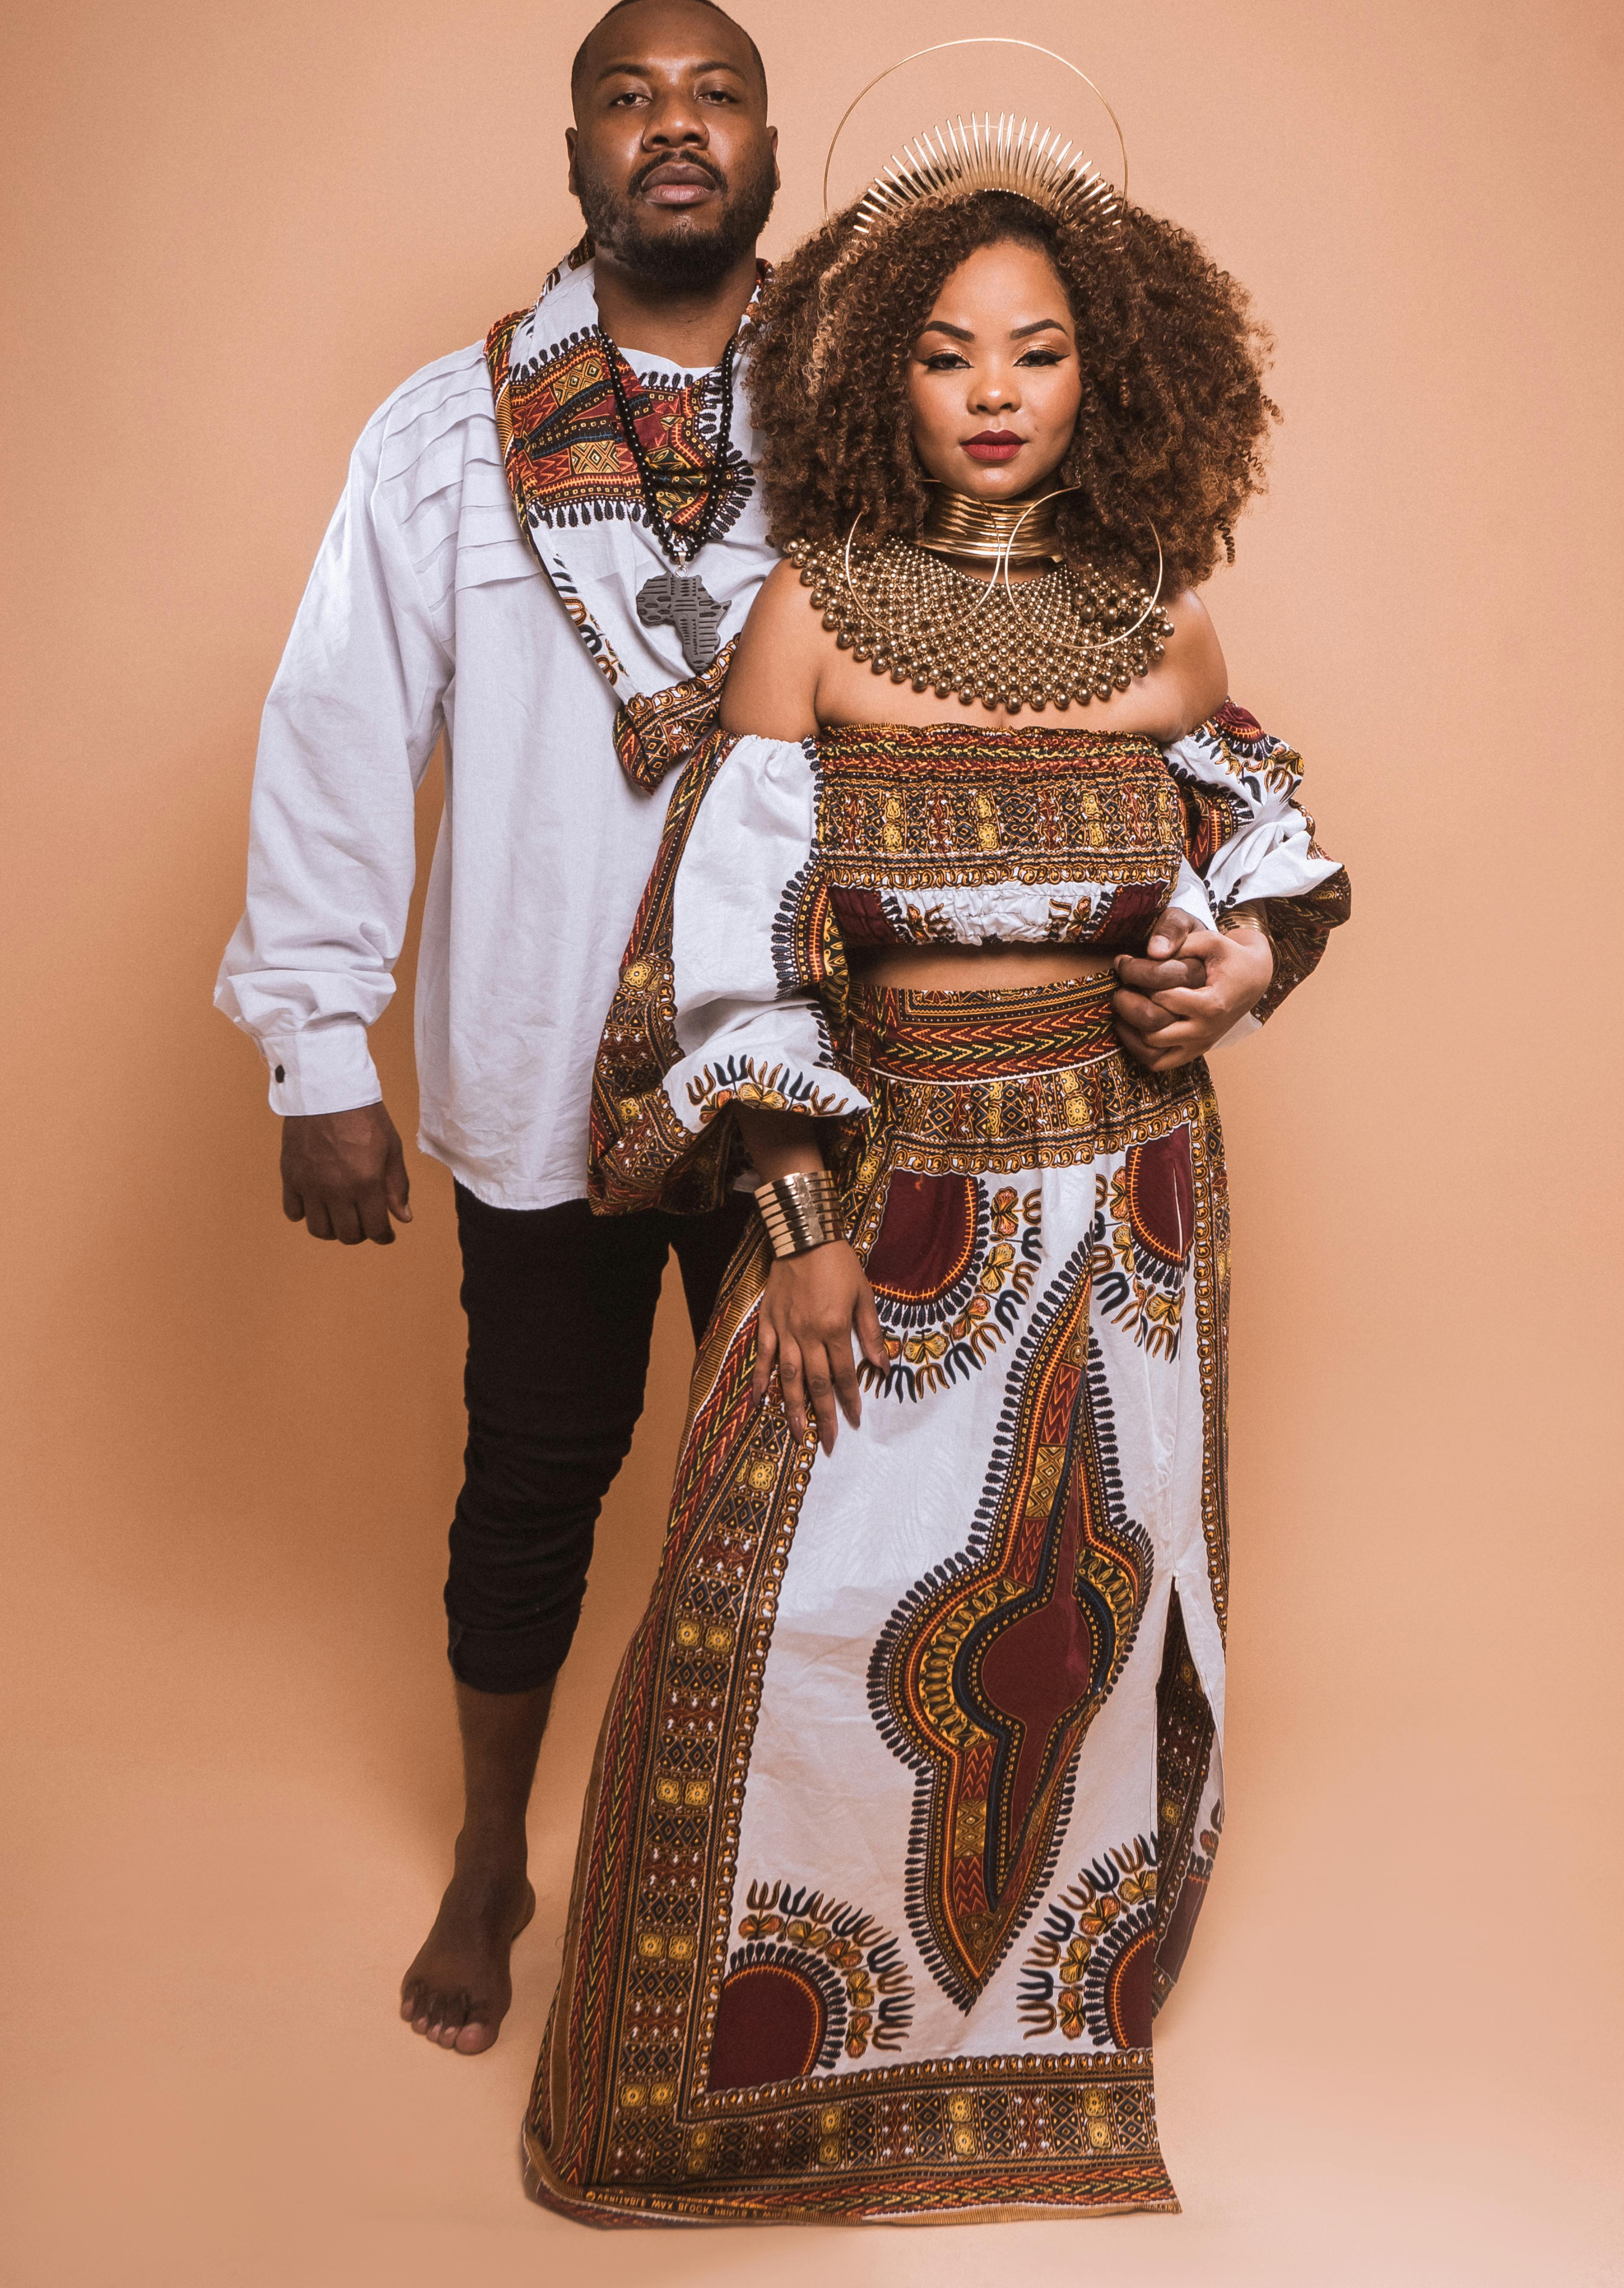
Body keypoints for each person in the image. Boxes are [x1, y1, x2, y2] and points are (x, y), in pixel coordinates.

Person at [523, 123, 1350, 2221]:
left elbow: (1263, 875)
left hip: (1129, 1224)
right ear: (874, 375)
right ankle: (728, 2097)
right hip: (890, 1212)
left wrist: (1233, 967)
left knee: (1065, 1634)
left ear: (1113, 375)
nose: (993, 392)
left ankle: (1015, 2069)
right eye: (950, 352)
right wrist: (793, 1228)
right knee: (812, 1622)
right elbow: (730, 951)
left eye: (1039, 351)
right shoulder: (807, 613)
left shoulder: (1159, 634)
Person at [215, 0, 791, 2056]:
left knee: (835, 1487)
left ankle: (771, 1874)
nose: (671, 127)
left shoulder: (870, 415)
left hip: (809, 1073)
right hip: (540, 1051)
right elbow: (341, 733)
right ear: (571, 160)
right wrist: (316, 1050)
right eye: (626, 99)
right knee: (534, 1474)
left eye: (714, 94)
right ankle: (491, 1852)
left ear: (768, 155)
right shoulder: (448, 428)